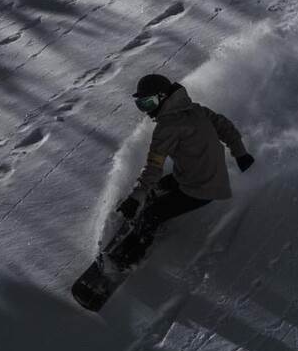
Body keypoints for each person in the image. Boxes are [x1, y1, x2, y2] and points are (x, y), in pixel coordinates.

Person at [107, 73, 254, 270]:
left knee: (151, 214)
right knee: (157, 189)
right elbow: (223, 125)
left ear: (162, 98)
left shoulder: (166, 129)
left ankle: (124, 260)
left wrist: (135, 197)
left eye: (149, 103)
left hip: (201, 189)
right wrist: (240, 152)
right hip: (198, 175)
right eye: (141, 104)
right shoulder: (196, 110)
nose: (146, 111)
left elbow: (153, 167)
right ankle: (145, 208)